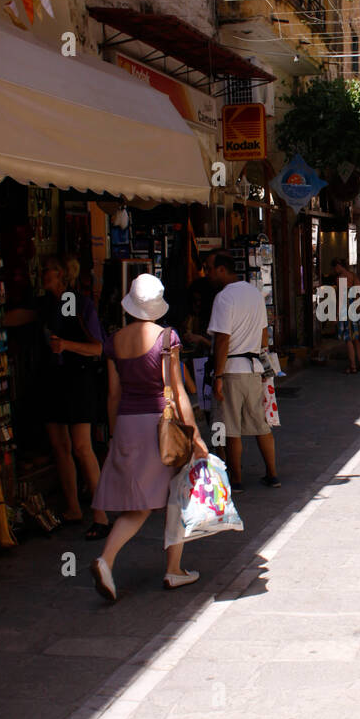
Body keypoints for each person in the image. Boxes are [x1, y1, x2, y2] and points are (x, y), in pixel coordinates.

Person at [89, 274, 208, 603]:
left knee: (141, 503)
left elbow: (113, 394)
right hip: (161, 426)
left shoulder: (115, 340)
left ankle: (114, 560)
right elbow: (178, 390)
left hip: (128, 423)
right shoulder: (166, 337)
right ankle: (166, 567)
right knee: (173, 495)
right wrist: (195, 433)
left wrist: (116, 433)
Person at [38, 255, 109, 540]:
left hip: (78, 379)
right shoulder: (45, 303)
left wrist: (66, 345)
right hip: (53, 380)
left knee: (82, 447)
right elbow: (26, 316)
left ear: (62, 275)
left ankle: (101, 514)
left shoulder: (78, 303)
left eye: (48, 270)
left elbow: (97, 348)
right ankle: (72, 508)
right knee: (60, 446)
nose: (43, 275)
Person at [208, 253, 280, 487]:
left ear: (221, 270)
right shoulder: (255, 294)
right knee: (260, 424)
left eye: (210, 268)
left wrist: (218, 376)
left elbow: (222, 339)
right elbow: (263, 334)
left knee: (230, 427)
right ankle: (272, 474)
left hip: (231, 369)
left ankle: (236, 480)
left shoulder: (224, 297)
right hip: (254, 368)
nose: (207, 273)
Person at [332, 257, 360, 373]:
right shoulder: (353, 276)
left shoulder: (340, 279)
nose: (335, 270)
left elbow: (340, 299)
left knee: (348, 339)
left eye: (335, 267)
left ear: (339, 266)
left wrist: (336, 315)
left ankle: (353, 366)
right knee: (357, 339)